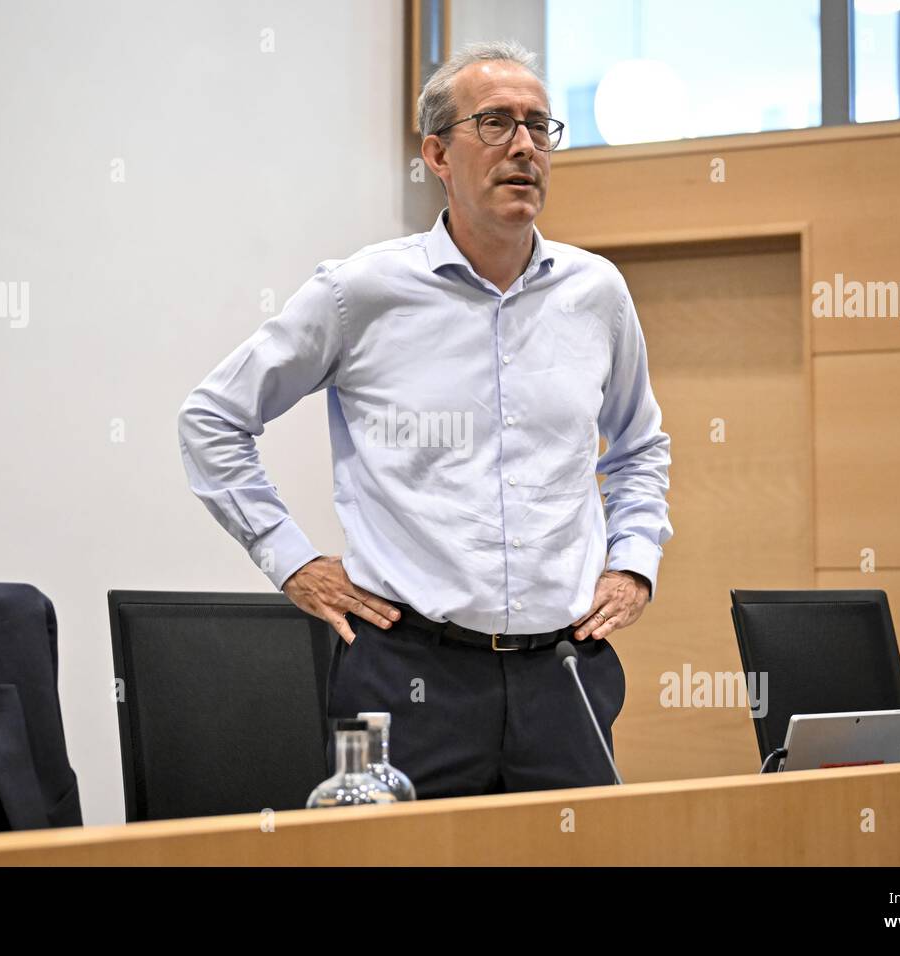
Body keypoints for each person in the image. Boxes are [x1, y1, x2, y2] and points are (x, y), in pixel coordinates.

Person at [177, 40, 671, 798]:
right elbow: (213, 419)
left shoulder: (595, 293)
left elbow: (637, 446)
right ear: (437, 154)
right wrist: (293, 562)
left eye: (540, 126)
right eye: (497, 124)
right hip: (409, 674)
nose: (525, 147)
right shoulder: (362, 292)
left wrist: (634, 562)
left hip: (564, 674)